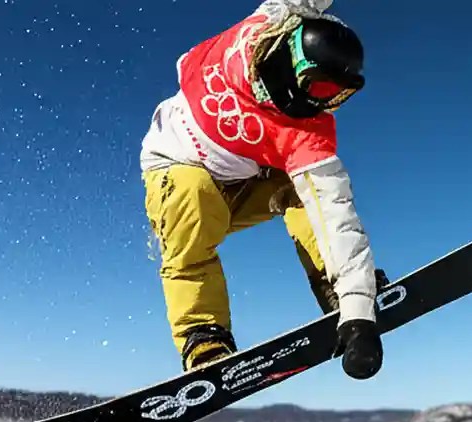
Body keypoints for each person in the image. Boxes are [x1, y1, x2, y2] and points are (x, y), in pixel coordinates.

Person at [139, 0, 384, 379]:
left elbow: (334, 212)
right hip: (176, 168)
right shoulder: (268, 21)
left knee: (300, 188)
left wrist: (357, 310)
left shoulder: (308, 132)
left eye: (339, 95)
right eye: (321, 87)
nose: (324, 104)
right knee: (195, 195)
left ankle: (334, 286)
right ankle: (203, 335)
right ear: (293, 62)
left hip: (242, 187)